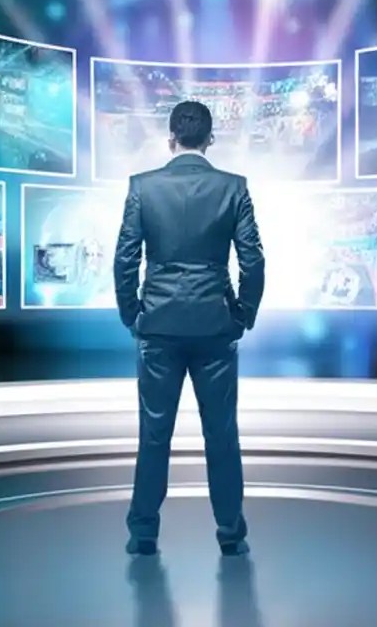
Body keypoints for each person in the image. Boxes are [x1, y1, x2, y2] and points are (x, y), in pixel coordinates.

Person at [113, 100, 266, 558]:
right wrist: (243, 314)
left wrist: (132, 315)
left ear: (171, 138)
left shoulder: (143, 187)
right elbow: (253, 259)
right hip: (216, 329)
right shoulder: (233, 188)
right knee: (221, 434)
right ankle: (230, 533)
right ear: (211, 140)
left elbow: (125, 259)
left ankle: (143, 532)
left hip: (157, 326)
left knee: (154, 433)